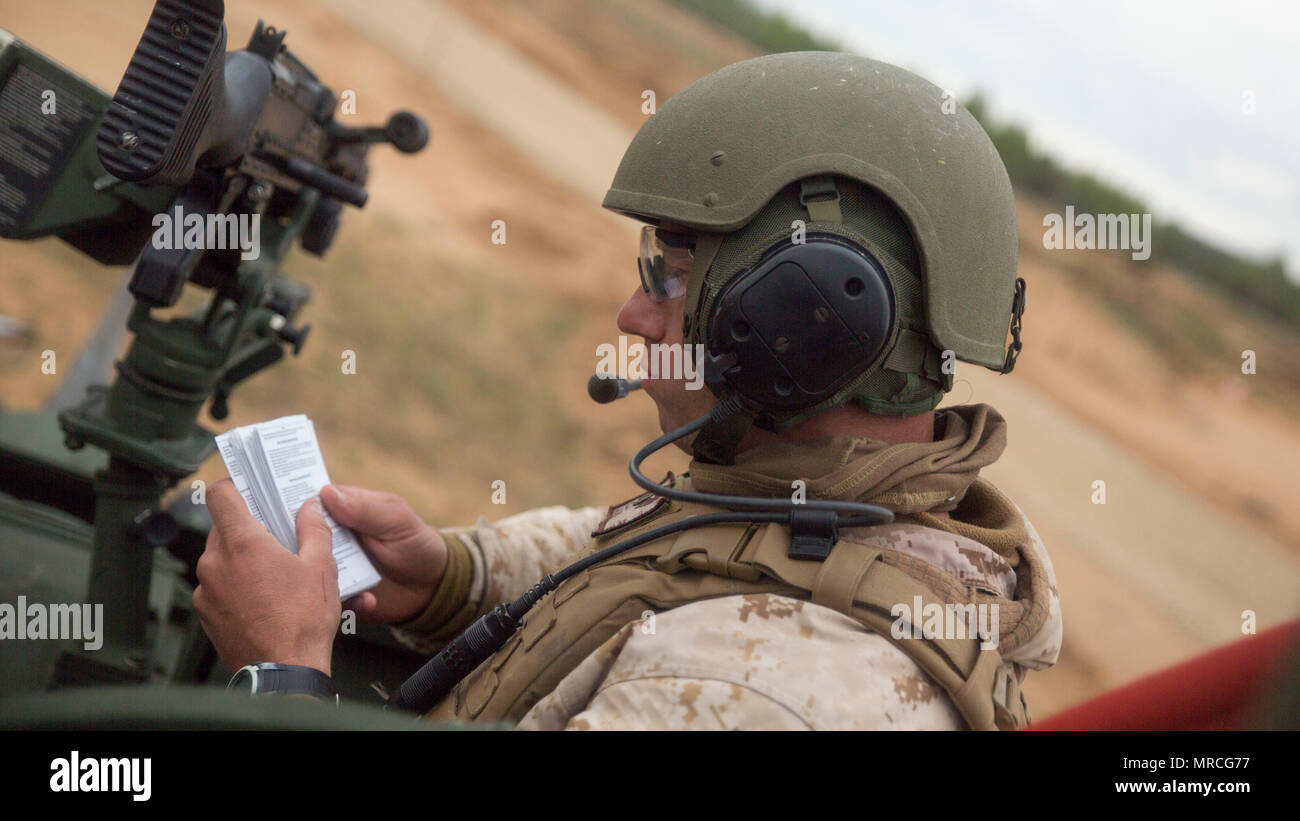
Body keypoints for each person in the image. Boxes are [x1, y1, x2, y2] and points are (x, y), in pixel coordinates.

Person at [195, 51, 1062, 730]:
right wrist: (452, 577)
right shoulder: (817, 507)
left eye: (674, 274)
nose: (633, 314)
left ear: (808, 318)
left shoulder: (766, 692)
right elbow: (650, 557)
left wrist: (281, 672)